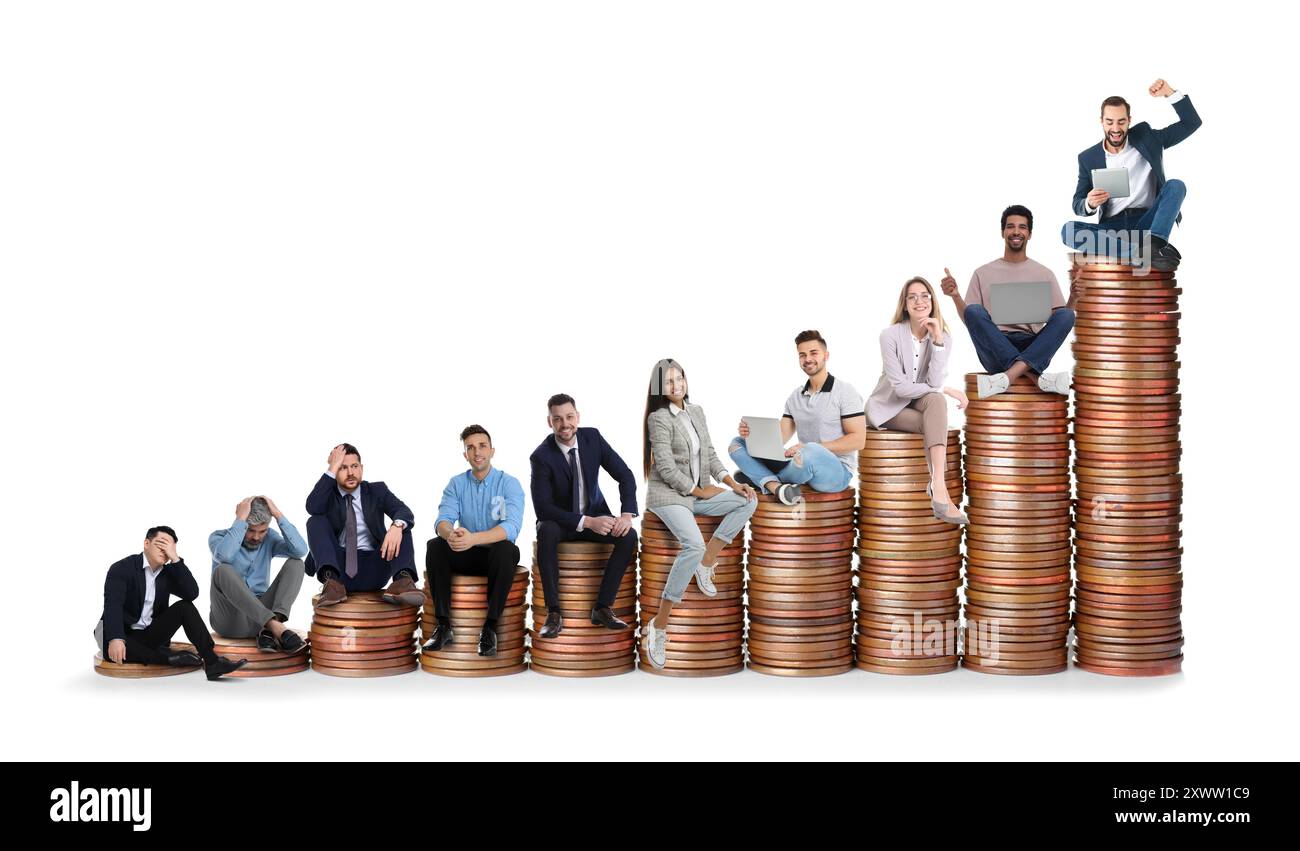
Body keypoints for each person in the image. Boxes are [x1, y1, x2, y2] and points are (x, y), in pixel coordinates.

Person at [640, 358, 757, 670]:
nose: (676, 386)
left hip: (699, 492)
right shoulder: (658, 418)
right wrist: (699, 492)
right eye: (669, 382)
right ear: (659, 388)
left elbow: (711, 454)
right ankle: (660, 625)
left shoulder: (697, 411)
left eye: (680, 379)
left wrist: (732, 482)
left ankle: (707, 562)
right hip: (669, 496)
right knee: (692, 543)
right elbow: (664, 467)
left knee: (748, 500)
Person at [1060, 79, 1201, 271]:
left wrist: (1169, 92)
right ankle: (1141, 252)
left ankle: (1154, 244)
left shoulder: (1149, 139)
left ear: (1129, 121)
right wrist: (1089, 203)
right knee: (1068, 230)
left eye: (1121, 122)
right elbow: (1078, 203)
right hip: (1111, 230)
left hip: (1149, 225)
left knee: (1176, 185)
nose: (1116, 129)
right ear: (1101, 121)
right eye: (1109, 122)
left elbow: (1191, 122)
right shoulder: (1088, 158)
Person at [529, 393, 639, 639]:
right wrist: (587, 522)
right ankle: (554, 613)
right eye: (557, 419)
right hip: (561, 522)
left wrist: (625, 515)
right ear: (550, 422)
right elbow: (543, 508)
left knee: (628, 536)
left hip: (595, 516)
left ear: (577, 417)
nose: (565, 424)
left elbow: (625, 475)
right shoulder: (541, 456)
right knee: (545, 529)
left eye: (569, 417)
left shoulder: (593, 438)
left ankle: (602, 607)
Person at [942, 205, 1078, 399]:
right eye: (1010, 226)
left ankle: (1007, 376)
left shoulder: (1044, 273)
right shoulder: (982, 273)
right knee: (973, 310)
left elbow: (1059, 324)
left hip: (1033, 346)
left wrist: (1073, 297)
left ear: (1030, 234)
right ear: (1002, 232)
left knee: (1067, 314)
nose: (1016, 231)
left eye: (1022, 227)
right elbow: (971, 321)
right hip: (995, 349)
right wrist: (955, 296)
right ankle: (1036, 377)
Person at [866, 277, 969, 524]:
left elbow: (933, 381)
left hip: (920, 402)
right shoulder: (889, 335)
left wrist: (938, 341)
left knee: (936, 403)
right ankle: (940, 491)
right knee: (936, 405)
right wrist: (946, 388)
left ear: (932, 301)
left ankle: (938, 485)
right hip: (887, 408)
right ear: (905, 305)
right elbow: (901, 388)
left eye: (924, 295)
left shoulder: (944, 336)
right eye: (912, 297)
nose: (919, 301)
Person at [729, 330, 866, 506]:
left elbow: (858, 440)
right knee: (737, 443)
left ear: (826, 355)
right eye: (802, 355)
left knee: (811, 451)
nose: (808, 359)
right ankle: (774, 485)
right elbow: (780, 438)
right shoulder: (795, 397)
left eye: (813, 353)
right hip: (799, 464)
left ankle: (759, 476)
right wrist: (752, 435)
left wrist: (813, 448)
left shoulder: (845, 392)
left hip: (836, 471)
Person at [423, 425, 527, 658]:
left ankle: (490, 629)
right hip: (467, 553)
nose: (477, 452)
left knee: (506, 549)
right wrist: (450, 534)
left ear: (492, 451)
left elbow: (511, 527)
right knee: (435, 545)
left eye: (482, 446)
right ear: (465, 454)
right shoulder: (456, 484)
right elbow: (443, 520)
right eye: (470, 448)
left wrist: (473, 538)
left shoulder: (509, 484)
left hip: (496, 555)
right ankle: (443, 626)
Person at [95, 525, 247, 680]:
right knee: (122, 648)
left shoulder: (168, 573)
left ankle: (212, 661)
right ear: (146, 543)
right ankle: (168, 659)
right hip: (123, 633)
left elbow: (191, 593)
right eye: (161, 544)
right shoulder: (122, 568)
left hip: (149, 634)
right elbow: (112, 606)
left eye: (169, 548)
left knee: (184, 607)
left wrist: (175, 559)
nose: (164, 551)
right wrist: (116, 638)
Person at [304, 443, 421, 608]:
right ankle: (331, 586)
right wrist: (332, 467)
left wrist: (396, 527)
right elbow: (312, 507)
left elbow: (403, 511)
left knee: (403, 527)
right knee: (315, 521)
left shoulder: (376, 490)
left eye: (354, 466)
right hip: (338, 572)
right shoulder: (327, 496)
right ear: (335, 471)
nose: (351, 472)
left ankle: (403, 582)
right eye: (343, 467)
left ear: (362, 468)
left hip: (375, 566)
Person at [207, 495, 308, 653]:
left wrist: (278, 515)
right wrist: (240, 518)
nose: (256, 537)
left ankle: (270, 629)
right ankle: (275, 627)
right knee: (222, 570)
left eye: (262, 531)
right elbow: (225, 556)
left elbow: (300, 551)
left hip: (260, 618)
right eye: (250, 530)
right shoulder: (218, 538)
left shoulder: (269, 538)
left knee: (296, 563)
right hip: (229, 620)